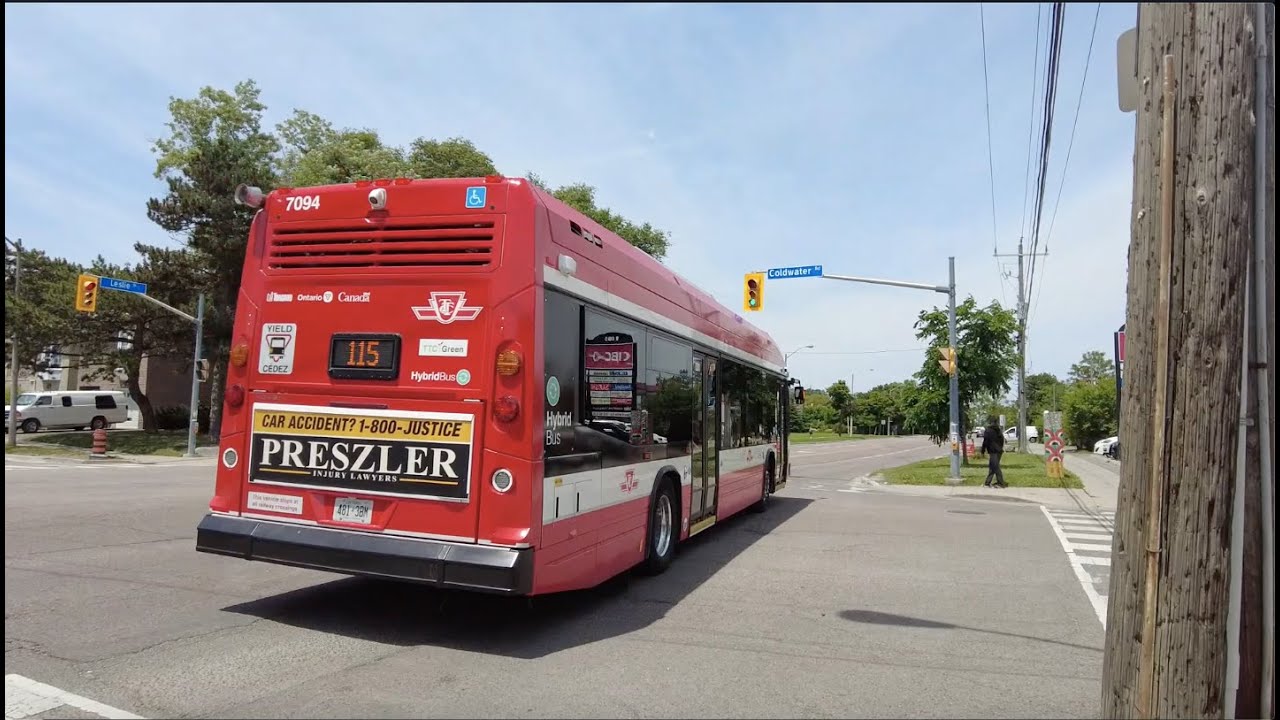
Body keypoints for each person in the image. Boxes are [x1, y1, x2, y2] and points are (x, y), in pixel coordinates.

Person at [981, 418, 1007, 488]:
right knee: (992, 467)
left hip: (993, 451)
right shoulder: (998, 430)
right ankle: (987, 483)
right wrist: (1000, 447)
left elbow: (985, 441)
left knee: (995, 467)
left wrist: (983, 451)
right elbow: (1002, 440)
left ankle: (1001, 483)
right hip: (999, 451)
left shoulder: (988, 431)